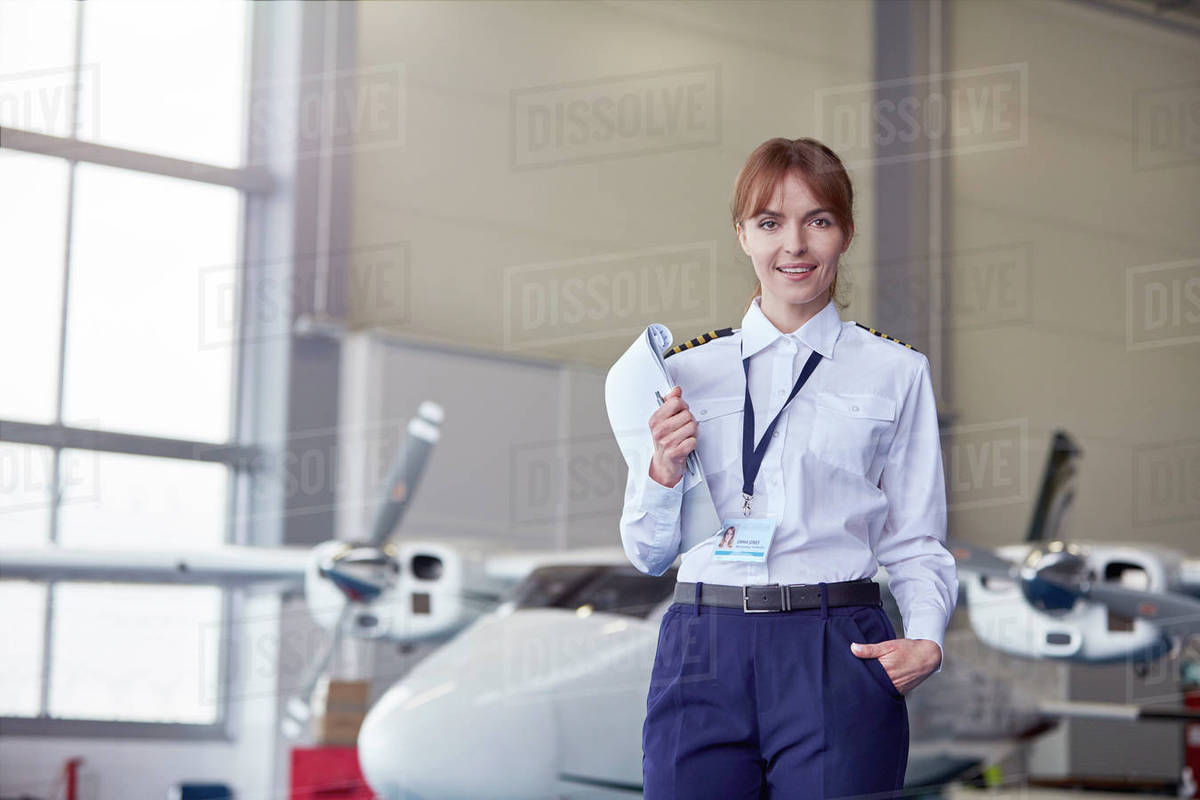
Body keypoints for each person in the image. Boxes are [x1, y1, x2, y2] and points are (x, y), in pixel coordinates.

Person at [617, 137, 958, 799]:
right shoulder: (682, 375)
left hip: (836, 646)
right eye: (771, 223)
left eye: (818, 221)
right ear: (742, 235)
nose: (794, 245)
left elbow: (916, 539)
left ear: (846, 233)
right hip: (702, 644)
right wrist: (660, 469)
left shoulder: (896, 373)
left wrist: (926, 638)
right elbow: (648, 552)